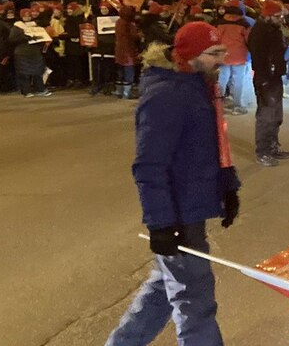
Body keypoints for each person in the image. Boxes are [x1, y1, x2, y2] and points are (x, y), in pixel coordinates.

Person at [104, 22, 241, 346]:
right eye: (214, 53)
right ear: (191, 56)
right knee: (195, 303)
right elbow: (149, 166)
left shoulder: (197, 85)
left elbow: (210, 147)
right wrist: (161, 225)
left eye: (222, 51)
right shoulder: (167, 93)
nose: (221, 60)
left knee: (163, 292)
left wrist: (227, 186)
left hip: (190, 208)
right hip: (177, 214)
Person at [248, 0, 289, 167]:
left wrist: (287, 52)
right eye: (278, 16)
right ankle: (263, 151)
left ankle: (273, 147)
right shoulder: (260, 32)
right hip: (265, 78)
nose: (281, 19)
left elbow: (276, 53)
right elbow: (261, 57)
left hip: (275, 77)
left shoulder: (274, 30)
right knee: (266, 116)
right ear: (268, 16)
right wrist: (268, 73)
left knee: (276, 115)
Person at [214, 0, 253, 113]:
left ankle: (218, 104)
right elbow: (248, 39)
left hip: (223, 55)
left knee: (222, 79)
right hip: (239, 55)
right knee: (238, 80)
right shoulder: (244, 24)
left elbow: (216, 38)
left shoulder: (219, 22)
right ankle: (237, 105)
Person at [10, 8, 52, 97]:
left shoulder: (36, 25)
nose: (27, 18)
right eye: (25, 16)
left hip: (34, 52)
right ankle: (26, 91)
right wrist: (26, 37)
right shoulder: (17, 26)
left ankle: (40, 89)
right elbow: (12, 39)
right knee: (24, 73)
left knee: (38, 71)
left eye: (29, 16)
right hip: (22, 52)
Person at [91, 2, 118, 97]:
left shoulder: (114, 20)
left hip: (109, 45)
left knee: (108, 67)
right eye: (102, 9)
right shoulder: (95, 20)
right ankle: (97, 84)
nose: (104, 11)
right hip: (98, 46)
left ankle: (108, 85)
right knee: (97, 67)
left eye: (106, 9)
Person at [115, 5, 142, 100]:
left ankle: (119, 91)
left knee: (120, 72)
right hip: (128, 51)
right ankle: (127, 93)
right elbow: (134, 36)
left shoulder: (118, 22)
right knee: (129, 72)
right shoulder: (130, 24)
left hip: (119, 50)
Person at [63, 2, 89, 88]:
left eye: (71, 9)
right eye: (68, 9)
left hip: (77, 45)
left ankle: (78, 79)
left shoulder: (80, 19)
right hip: (70, 44)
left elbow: (77, 32)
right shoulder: (67, 19)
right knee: (70, 63)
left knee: (77, 63)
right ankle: (71, 78)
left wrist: (66, 35)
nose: (69, 11)